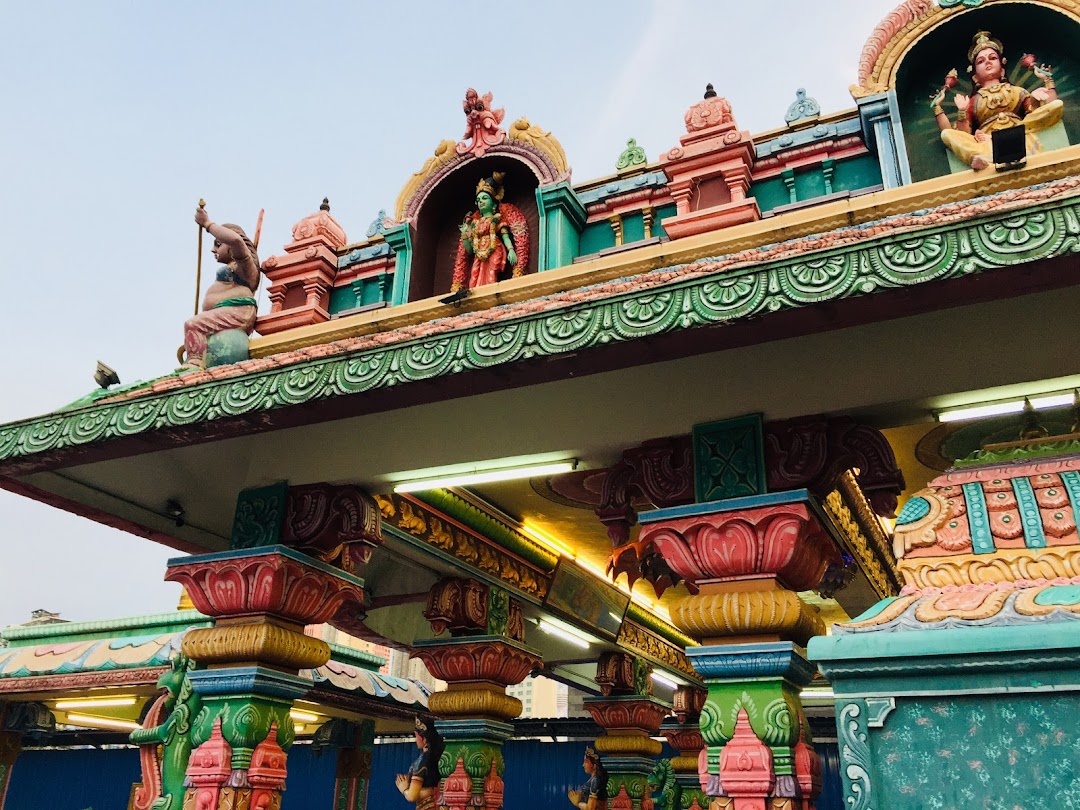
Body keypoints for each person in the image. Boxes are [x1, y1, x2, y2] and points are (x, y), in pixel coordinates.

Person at [932, 31, 1063, 170]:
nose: (987, 62)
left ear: (1002, 69)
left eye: (992, 58)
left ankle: (1006, 140)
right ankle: (979, 159)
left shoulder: (1016, 91)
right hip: (986, 142)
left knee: (1057, 104)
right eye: (981, 61)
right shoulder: (974, 101)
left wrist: (1040, 92)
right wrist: (960, 111)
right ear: (975, 76)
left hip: (1020, 132)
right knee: (948, 134)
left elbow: (1039, 111)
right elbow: (963, 133)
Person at [182, 205, 260, 369]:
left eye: (218, 244)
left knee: (193, 324)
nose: (213, 250)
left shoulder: (244, 266)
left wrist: (207, 224)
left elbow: (236, 240)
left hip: (239, 311)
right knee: (193, 326)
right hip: (229, 311)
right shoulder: (233, 266)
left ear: (230, 247)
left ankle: (195, 362)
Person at [450, 172, 529, 295]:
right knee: (475, 275)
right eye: (478, 200)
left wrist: (511, 250)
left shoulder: (497, 219)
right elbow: (469, 250)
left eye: (484, 198)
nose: (481, 202)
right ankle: (477, 294)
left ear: (493, 202)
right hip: (478, 253)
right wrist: (465, 234)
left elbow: (505, 236)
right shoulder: (475, 223)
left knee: (492, 272)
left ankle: (490, 293)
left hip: (494, 249)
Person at [395, 716, 444, 810]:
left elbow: (412, 796)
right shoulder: (440, 756)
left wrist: (404, 789)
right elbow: (430, 791)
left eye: (416, 735)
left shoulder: (424, 760)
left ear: (424, 738)